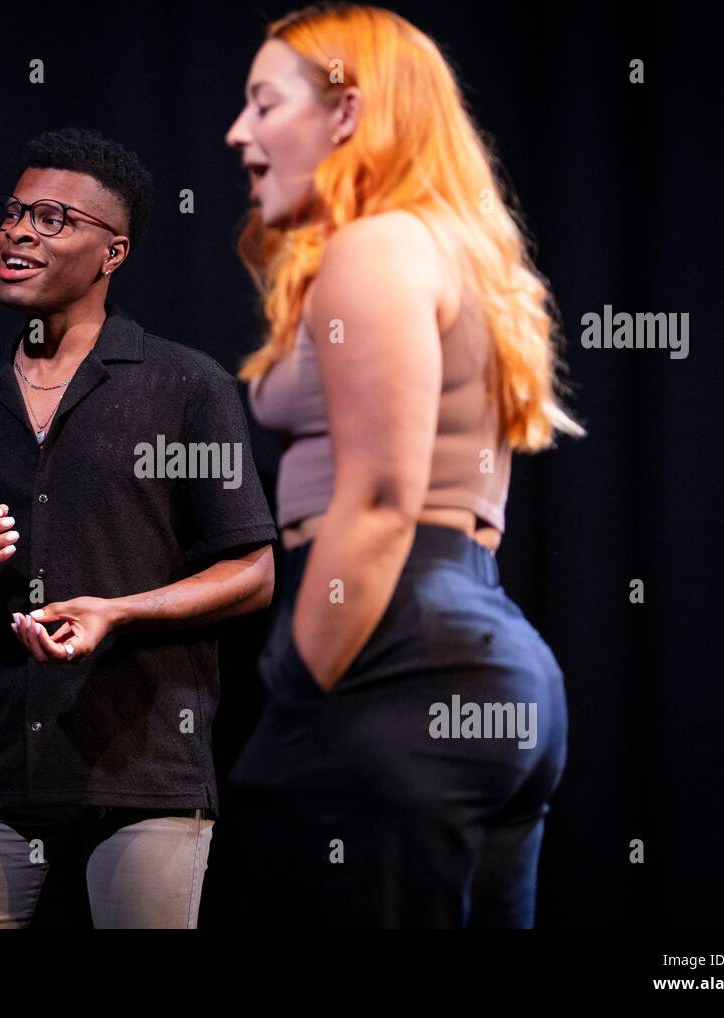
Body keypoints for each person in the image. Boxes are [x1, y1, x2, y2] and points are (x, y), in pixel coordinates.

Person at [222, 3, 584, 927]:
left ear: (346, 114)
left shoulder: (377, 246)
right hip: (477, 653)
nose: (239, 133)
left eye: (265, 104)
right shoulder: (452, 252)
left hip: (398, 659)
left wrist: (300, 688)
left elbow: (382, 501)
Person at [0, 127, 276, 928]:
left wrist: (119, 611)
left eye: (54, 218)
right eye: (14, 212)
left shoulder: (185, 388)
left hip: (144, 771)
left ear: (113, 253)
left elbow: (252, 572)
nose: (20, 230)